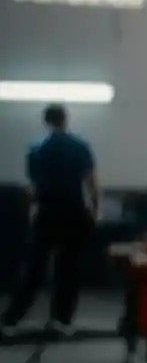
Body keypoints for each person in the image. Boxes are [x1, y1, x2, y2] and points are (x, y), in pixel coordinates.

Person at [1, 103, 100, 339]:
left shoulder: (36, 150)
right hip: (74, 212)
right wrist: (95, 211)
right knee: (69, 269)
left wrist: (33, 210)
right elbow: (92, 182)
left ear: (46, 122)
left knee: (34, 270)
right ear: (66, 120)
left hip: (47, 212)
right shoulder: (80, 146)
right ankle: (61, 321)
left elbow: (33, 189)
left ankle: (10, 320)